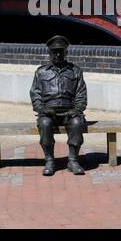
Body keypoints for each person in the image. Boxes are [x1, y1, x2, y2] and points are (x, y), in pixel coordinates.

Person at [29, 35, 88, 176]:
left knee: (77, 122)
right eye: (54, 52)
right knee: (44, 123)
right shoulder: (41, 72)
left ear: (66, 52)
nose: (57, 54)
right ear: (49, 53)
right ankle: (49, 160)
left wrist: (76, 109)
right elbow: (35, 95)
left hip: (69, 112)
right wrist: (42, 109)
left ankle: (73, 160)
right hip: (49, 113)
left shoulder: (75, 71)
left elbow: (81, 95)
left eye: (60, 51)